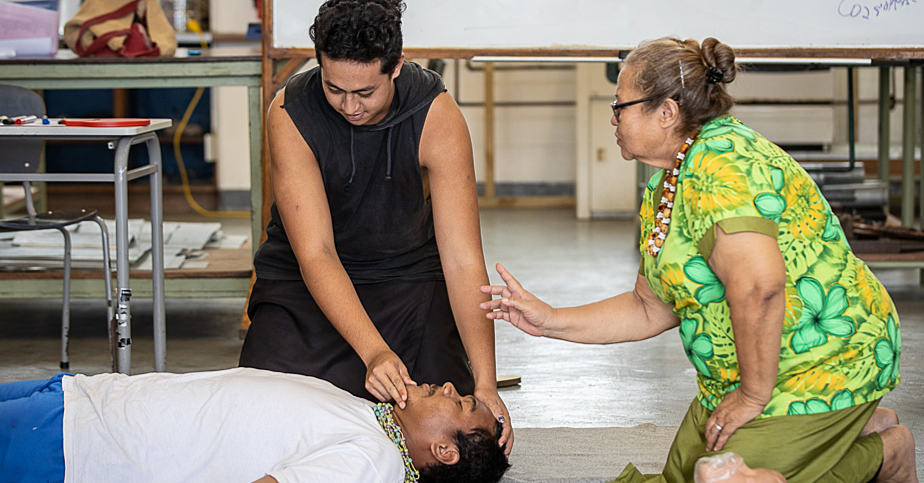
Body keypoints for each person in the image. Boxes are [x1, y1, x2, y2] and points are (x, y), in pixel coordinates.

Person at [480, 37, 917, 483]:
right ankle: (856, 437)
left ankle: (882, 453)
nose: (613, 117)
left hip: (817, 364)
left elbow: (758, 285)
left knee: (723, 478)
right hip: (745, 371)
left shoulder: (721, 161)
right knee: (689, 477)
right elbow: (649, 307)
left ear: (666, 112)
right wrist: (548, 319)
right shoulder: (668, 183)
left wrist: (751, 395)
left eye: (621, 105)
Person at [238, 0, 512, 452]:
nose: (349, 106)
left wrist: (485, 384)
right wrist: (374, 352)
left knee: (452, 435)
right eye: (334, 88)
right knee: (264, 423)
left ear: (396, 67)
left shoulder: (436, 115)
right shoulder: (290, 112)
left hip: (408, 283)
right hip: (304, 286)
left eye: (365, 92)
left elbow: (462, 261)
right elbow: (315, 254)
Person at [0, 368, 510, 483]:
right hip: (85, 397)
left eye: (461, 403)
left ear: (446, 451)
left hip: (77, 444)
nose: (447, 388)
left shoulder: (373, 462)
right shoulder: (370, 419)